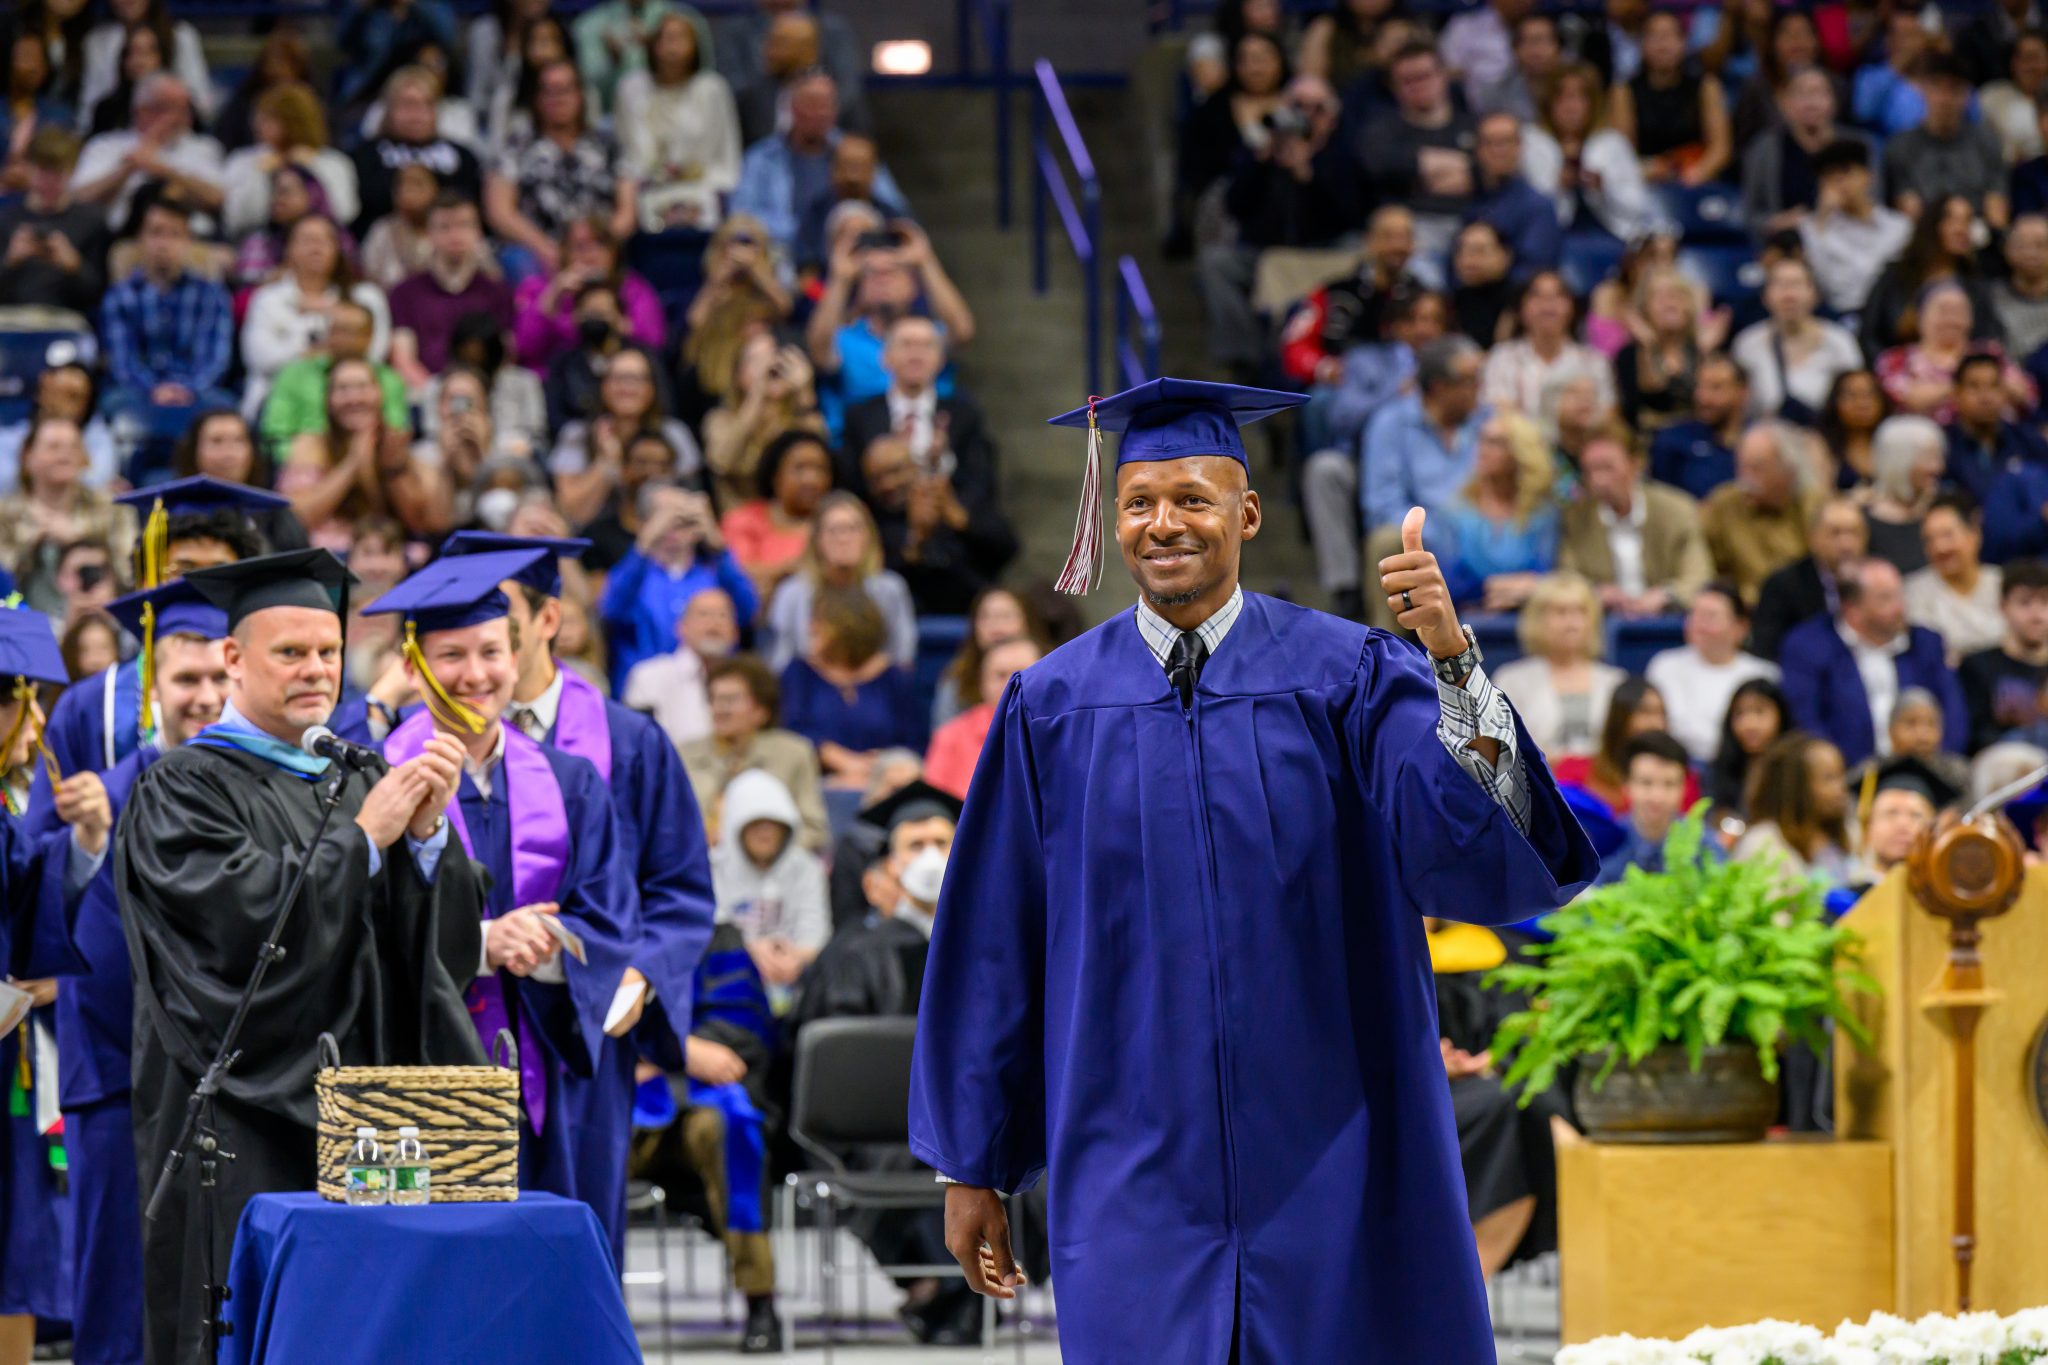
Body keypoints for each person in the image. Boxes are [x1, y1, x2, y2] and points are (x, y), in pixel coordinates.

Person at [910, 377, 1597, 1361]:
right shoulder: (1050, 709)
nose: (1162, 523)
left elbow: (1472, 851)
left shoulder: (1351, 678)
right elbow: (989, 942)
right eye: (1139, 502)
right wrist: (968, 1164)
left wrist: (1451, 662)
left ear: (1247, 509)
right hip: (1132, 1159)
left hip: (1332, 1148)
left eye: (1191, 497)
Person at [115, 549, 485, 1365]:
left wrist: (427, 845)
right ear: (234, 660)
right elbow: (231, 935)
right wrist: (365, 841)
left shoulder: (353, 777)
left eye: (328, 651)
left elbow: (438, 961)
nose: (317, 669)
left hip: (368, 1118)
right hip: (242, 1121)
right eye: (291, 652)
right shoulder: (181, 788)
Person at [442, 530, 717, 1263]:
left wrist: (636, 977)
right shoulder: (422, 751)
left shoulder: (628, 743)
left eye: (497, 617)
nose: (479, 635)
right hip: (455, 1035)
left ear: (546, 620)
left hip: (581, 1040)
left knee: (575, 1253)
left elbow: (681, 893)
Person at [31, 579, 225, 1365]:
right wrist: (86, 842)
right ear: (151, 686)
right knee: (117, 1300)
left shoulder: (270, 791)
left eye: (219, 677)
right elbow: (36, 902)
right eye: (186, 679)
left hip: (231, 1083)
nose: (206, 696)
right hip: (116, 1075)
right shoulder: (95, 797)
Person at [1778, 556, 1967, 766]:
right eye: (1885, 599)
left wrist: (1937, 766)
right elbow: (1807, 721)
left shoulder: (1927, 643)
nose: (1900, 608)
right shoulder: (1808, 646)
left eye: (1899, 596)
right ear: (1852, 610)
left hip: (1926, 769)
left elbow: (1953, 714)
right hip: (1847, 775)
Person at [1358, 336, 1489, 624]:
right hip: (1427, 545)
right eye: (1470, 380)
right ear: (1439, 387)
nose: (1479, 389)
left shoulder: (1490, 421)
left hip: (1489, 537)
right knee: (1385, 541)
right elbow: (1382, 505)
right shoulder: (1390, 424)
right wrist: (1442, 539)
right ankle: (1388, 651)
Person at [98, 195, 235, 445]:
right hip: (138, 392)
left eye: (175, 234)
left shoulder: (212, 295)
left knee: (224, 407)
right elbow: (122, 361)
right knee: (113, 403)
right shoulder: (120, 296)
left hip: (197, 392)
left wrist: (187, 389)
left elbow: (216, 359)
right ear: (141, 239)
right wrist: (155, 390)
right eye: (156, 233)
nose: (164, 243)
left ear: (188, 242)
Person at [279, 357, 453, 552]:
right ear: (328, 399)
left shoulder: (394, 442)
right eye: (342, 389)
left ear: (379, 394)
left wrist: (391, 471)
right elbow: (295, 519)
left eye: (362, 387)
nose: (353, 399)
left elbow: (424, 523)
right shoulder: (310, 444)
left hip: (387, 557)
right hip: (328, 558)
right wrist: (351, 464)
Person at [601, 485, 757, 693]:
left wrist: (717, 543)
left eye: (682, 521)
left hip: (709, 690)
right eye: (663, 518)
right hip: (644, 693)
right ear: (644, 523)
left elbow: (748, 612)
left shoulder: (714, 573)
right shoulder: (635, 574)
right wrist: (644, 543)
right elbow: (609, 609)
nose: (673, 529)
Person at [729, 71, 899, 258]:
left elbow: (896, 210)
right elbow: (740, 217)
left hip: (853, 256)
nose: (820, 113)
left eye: (826, 105)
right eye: (812, 105)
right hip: (778, 255)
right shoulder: (761, 158)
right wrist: (800, 234)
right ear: (792, 108)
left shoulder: (854, 152)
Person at [238, 214, 391, 420]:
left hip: (350, 396)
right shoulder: (267, 299)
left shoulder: (365, 296)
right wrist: (320, 346)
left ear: (337, 249)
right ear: (288, 249)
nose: (316, 247)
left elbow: (374, 351)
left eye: (324, 240)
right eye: (307, 240)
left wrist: (327, 312)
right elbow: (261, 359)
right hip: (276, 397)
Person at [839, 315, 999, 513]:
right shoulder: (860, 416)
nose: (916, 354)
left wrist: (942, 463)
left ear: (941, 360)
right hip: (881, 526)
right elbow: (850, 484)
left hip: (947, 527)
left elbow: (980, 483)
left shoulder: (964, 415)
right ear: (885, 357)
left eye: (926, 346)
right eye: (906, 345)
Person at [1350, 42, 1478, 279]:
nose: (1418, 85)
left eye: (1425, 76)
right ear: (1394, 87)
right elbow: (1380, 166)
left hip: (1468, 226)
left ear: (1443, 76)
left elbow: (1486, 172)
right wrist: (1458, 164)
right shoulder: (1380, 129)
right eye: (1407, 80)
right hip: (1410, 233)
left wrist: (1420, 168)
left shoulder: (1472, 124)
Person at [1557, 426, 1713, 618]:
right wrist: (1595, 592)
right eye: (1590, 471)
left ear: (1635, 464)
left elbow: (1699, 576)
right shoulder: (1575, 519)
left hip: (1667, 623)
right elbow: (1567, 578)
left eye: (1607, 468)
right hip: (1601, 626)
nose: (1599, 480)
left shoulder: (1677, 511)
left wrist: (1664, 596)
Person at [679, 654, 828, 852]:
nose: (719, 709)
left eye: (730, 700)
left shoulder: (794, 753)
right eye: (714, 699)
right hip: (701, 865)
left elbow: (814, 830)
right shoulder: (684, 754)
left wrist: (764, 852)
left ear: (761, 710)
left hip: (772, 870)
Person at [779, 585, 922, 787]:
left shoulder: (892, 677)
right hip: (813, 781)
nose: (811, 626)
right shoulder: (799, 673)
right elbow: (790, 731)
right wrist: (839, 759)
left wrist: (880, 762)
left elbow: (914, 741)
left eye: (820, 620)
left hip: (884, 781)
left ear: (849, 627)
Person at [761, 492, 915, 673]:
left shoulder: (891, 589)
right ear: (817, 540)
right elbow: (780, 663)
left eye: (852, 529)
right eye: (833, 530)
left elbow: (902, 658)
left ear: (868, 536)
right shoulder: (792, 593)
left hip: (876, 688)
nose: (843, 539)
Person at [614, 12, 740, 230]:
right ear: (652, 45)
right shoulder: (631, 87)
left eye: (680, 38)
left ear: (696, 46)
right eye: (665, 38)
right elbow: (626, 151)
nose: (672, 45)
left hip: (701, 189)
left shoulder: (712, 88)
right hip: (646, 191)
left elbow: (727, 152)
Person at [709, 766, 828, 990]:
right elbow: (711, 931)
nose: (764, 833)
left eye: (773, 823)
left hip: (795, 977)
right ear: (736, 825)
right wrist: (751, 951)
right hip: (725, 980)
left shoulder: (807, 867)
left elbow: (815, 931)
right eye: (755, 823)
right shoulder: (710, 868)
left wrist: (794, 958)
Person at [1489, 571, 1626, 760]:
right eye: (1561, 612)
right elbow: (1499, 749)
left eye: (1581, 612)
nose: (1572, 623)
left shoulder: (1616, 681)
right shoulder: (1511, 680)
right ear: (1538, 620)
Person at [1433, 409, 1558, 612]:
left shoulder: (1543, 515)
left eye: (1496, 443)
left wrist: (1534, 588)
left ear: (1519, 452)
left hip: (1531, 617)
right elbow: (1446, 584)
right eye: (1481, 440)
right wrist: (1509, 587)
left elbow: (1549, 574)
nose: (1483, 449)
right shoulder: (1453, 512)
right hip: (1465, 619)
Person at [1521, 62, 1659, 244]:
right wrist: (1557, 185)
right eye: (1562, 97)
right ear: (1549, 103)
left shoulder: (1613, 143)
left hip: (1613, 236)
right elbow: (1522, 207)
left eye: (1579, 98)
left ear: (1592, 103)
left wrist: (1604, 187)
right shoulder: (1531, 142)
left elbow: (1639, 206)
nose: (1571, 107)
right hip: (1551, 239)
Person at [68, 73, 223, 232]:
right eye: (171, 109)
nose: (183, 119)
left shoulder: (203, 147)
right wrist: (128, 168)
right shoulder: (105, 146)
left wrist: (163, 170)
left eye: (185, 109)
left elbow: (217, 199)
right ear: (141, 111)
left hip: (191, 239)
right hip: (116, 236)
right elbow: (79, 199)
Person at [1644, 581, 1778, 763]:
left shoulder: (1763, 673)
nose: (1699, 625)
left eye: (1710, 616)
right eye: (1694, 615)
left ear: (1741, 627)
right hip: (1676, 766)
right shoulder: (1664, 666)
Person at [511, 215, 665, 372]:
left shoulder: (633, 288)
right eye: (580, 246)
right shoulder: (540, 289)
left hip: (618, 377)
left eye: (599, 244)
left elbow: (654, 344)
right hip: (558, 382)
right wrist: (553, 295)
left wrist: (612, 320)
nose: (590, 255)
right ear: (563, 251)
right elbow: (524, 350)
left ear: (613, 251)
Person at [388, 193, 516, 380]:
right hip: (426, 394)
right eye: (444, 227)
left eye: (464, 225)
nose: (454, 235)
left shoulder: (498, 292)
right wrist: (436, 395)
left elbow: (505, 356)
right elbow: (404, 360)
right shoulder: (404, 293)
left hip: (484, 393)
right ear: (428, 233)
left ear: (478, 232)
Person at [349, 66, 484, 235]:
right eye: (408, 105)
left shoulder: (464, 157)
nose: (417, 114)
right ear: (388, 109)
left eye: (426, 104)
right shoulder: (365, 155)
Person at [702, 331, 826, 514]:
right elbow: (722, 461)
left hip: (795, 523)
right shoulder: (720, 419)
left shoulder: (798, 418)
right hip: (743, 528)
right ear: (738, 373)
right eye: (757, 360)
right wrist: (757, 393)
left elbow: (819, 457)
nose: (771, 366)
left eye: (776, 357)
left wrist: (805, 394)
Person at [1703, 423, 1826, 607]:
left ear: (1788, 470)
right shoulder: (1723, 505)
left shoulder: (1815, 505)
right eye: (1741, 467)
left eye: (1757, 469)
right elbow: (1709, 571)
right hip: (1747, 611)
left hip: (1803, 611)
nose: (1745, 479)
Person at [259, 299, 410, 449]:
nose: (339, 338)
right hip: (306, 464)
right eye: (334, 330)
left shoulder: (389, 379)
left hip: (371, 463)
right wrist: (305, 458)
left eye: (348, 331)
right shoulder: (294, 374)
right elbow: (275, 435)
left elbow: (395, 433)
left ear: (369, 336)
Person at [1729, 258, 1862, 425]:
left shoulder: (1840, 341)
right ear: (1765, 296)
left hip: (1826, 437)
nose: (1789, 295)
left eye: (1797, 284)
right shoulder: (1746, 344)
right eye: (1780, 285)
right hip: (1766, 438)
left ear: (1814, 294)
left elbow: (1856, 395)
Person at [1739, 67, 1869, 237]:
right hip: (1788, 246)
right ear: (1784, 103)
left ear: (1834, 102)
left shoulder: (1859, 146)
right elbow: (1750, 215)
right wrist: (1776, 222)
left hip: (1850, 242)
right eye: (1801, 94)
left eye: (1819, 93)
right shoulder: (1764, 149)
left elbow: (1875, 206)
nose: (1811, 103)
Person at [1884, 52, 2010, 227]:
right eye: (1937, 87)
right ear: (1922, 88)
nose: (1945, 98)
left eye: (1954, 89)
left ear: (1967, 95)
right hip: (1925, 237)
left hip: (1977, 232)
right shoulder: (1901, 146)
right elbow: (1907, 210)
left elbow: (1997, 205)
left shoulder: (1986, 141)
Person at [219, 82, 359, 239]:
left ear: (295, 121)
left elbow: (344, 212)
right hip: (259, 245)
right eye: (259, 116)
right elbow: (234, 220)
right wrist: (260, 174)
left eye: (269, 118)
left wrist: (311, 169)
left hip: (318, 244)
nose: (257, 124)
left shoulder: (334, 162)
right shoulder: (243, 160)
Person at [1877, 285, 2035, 425]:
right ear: (1920, 315)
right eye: (1943, 310)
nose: (1951, 319)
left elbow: (2026, 395)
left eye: (1959, 311)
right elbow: (1906, 399)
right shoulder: (1897, 358)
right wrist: (1974, 383)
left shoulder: (1989, 353)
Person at [1609, 9, 1731, 187]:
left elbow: (1721, 148)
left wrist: (1697, 173)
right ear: (1641, 45)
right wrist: (1644, 171)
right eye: (1654, 36)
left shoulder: (1707, 86)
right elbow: (1622, 151)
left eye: (1670, 36)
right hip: (1645, 181)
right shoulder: (1623, 91)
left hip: (1696, 178)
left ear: (1684, 43)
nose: (1663, 44)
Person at [1749, 493, 1870, 661]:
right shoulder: (1783, 586)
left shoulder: (1879, 580)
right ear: (1813, 538)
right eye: (1835, 533)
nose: (1846, 544)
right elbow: (1766, 650)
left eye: (1854, 533)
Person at [1478, 271, 1616, 418]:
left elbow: (1606, 415)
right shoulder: (1501, 358)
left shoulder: (1594, 361)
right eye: (1537, 296)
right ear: (1521, 309)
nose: (1548, 304)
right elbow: (1495, 412)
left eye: (1557, 296)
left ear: (1572, 308)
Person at [1800, 138, 1911, 316]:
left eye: (1846, 171)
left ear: (1868, 176)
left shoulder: (1899, 226)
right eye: (1829, 176)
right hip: (1842, 316)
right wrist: (1821, 223)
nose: (1839, 182)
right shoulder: (1812, 230)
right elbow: (1822, 286)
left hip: (1892, 316)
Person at [0, 128, 106, 314]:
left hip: (67, 321)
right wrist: (10, 261)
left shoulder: (92, 222)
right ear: (29, 169)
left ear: (72, 171)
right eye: (43, 171)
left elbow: (99, 296)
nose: (49, 182)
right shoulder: (5, 218)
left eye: (57, 173)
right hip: (10, 321)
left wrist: (74, 266)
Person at [719, 429, 832, 602]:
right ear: (775, 475)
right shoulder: (743, 520)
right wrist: (789, 569)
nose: (811, 479)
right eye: (800, 468)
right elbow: (736, 574)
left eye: (820, 469)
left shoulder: (835, 521)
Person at [1730, 730, 1854, 885]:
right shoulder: (1763, 844)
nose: (1841, 787)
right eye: (1829, 778)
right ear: (1797, 786)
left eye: (1841, 775)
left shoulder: (1846, 834)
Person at [621, 584, 736, 750]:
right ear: (681, 628)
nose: (714, 623)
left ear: (735, 632)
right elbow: (638, 743)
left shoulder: (748, 681)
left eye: (723, 615)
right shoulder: (649, 675)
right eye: (703, 615)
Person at [925, 637, 1040, 802]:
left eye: (1021, 674)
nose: (1011, 684)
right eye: (1000, 675)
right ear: (982, 682)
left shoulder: (1062, 731)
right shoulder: (950, 735)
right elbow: (934, 804)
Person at [1957, 559, 2048, 752]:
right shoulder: (1977, 665)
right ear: (2003, 607)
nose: (2037, 615)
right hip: (2004, 767)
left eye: (2045, 601)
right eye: (2025, 603)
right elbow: (1974, 737)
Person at [1905, 493, 2003, 662]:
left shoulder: (2002, 582)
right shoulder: (1913, 592)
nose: (1940, 547)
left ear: (1974, 535)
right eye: (1929, 540)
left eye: (1947, 535)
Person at [0, 362, 118, 496]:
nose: (64, 403)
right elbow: (4, 484)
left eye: (74, 396)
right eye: (58, 392)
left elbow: (97, 483)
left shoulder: (97, 438)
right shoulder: (9, 439)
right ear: (43, 391)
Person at [1944, 353, 2048, 505]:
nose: (1985, 397)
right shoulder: (1943, 445)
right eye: (1974, 386)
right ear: (1956, 394)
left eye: (1994, 386)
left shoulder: (2028, 440)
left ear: (2004, 393)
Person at [1595, 731, 1694, 882]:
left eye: (1669, 784)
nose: (1657, 797)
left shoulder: (1705, 847)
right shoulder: (1605, 844)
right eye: (1646, 783)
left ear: (1684, 788)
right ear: (1626, 785)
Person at [1647, 352, 1746, 501]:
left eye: (1716, 388)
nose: (1703, 398)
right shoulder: (1671, 440)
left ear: (1742, 392)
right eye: (1700, 387)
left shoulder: (1760, 443)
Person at [1858, 413, 1944, 575]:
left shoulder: (1944, 505)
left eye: (1938, 457)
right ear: (1900, 462)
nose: (1938, 467)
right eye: (1929, 458)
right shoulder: (1860, 519)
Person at [1848, 754, 1954, 884]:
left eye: (1916, 815)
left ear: (1933, 828)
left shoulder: (1945, 898)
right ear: (1868, 825)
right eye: (1891, 813)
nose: (1903, 824)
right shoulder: (1849, 896)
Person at [1706, 676, 1790, 815]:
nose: (1749, 724)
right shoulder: (1721, 768)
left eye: (1759, 711)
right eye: (1740, 713)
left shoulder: (1798, 766)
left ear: (1781, 715)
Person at [1993, 214, 2048, 363]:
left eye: (2041, 245)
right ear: (2006, 249)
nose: (2031, 253)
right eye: (2022, 245)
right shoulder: (1989, 298)